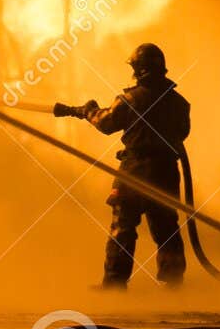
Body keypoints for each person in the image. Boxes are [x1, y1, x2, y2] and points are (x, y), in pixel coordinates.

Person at [55, 43, 190, 289]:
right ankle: (173, 283)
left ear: (140, 69)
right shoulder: (180, 103)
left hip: (134, 172)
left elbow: (105, 123)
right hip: (166, 172)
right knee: (166, 227)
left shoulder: (129, 100)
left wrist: (88, 111)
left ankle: (115, 283)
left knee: (123, 227)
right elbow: (182, 133)